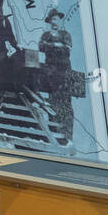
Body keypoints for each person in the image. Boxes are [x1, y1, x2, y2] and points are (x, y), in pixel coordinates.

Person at [38, 7, 74, 139]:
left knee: (65, 104)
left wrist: (52, 46)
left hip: (64, 73)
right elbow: (41, 47)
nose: (54, 22)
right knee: (52, 103)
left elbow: (67, 49)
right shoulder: (45, 35)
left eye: (56, 19)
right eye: (52, 19)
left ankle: (66, 134)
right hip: (51, 73)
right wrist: (56, 46)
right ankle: (55, 132)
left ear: (60, 20)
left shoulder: (65, 34)